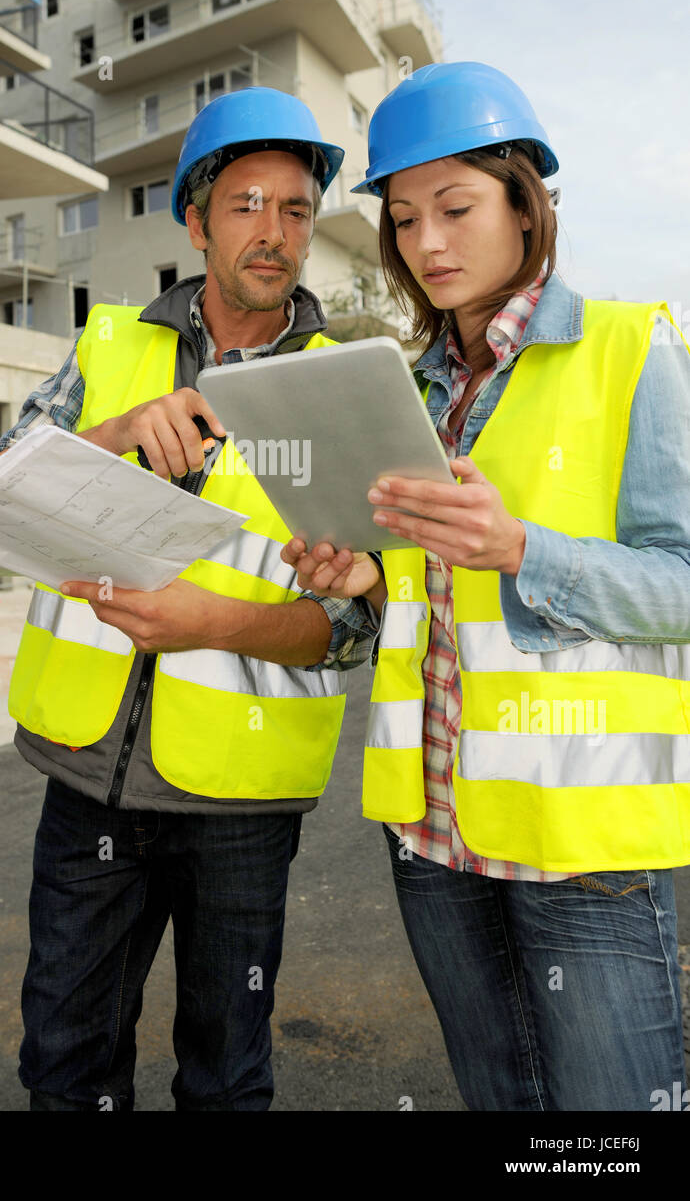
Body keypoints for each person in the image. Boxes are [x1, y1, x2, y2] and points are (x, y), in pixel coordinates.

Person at [282, 60, 690, 1111]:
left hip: (579, 844)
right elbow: (428, 604)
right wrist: (365, 577)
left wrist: (524, 551)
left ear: (525, 204)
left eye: (455, 208)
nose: (425, 243)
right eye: (404, 217)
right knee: (498, 1104)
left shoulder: (627, 350)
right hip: (431, 832)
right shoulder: (405, 387)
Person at [0, 87, 379, 1111]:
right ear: (195, 221)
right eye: (245, 203)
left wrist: (215, 625)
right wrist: (106, 436)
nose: (273, 231)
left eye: (294, 209)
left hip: (240, 803)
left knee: (226, 1075)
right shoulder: (111, 347)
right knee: (66, 1061)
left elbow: (356, 624)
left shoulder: (344, 387)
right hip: (87, 780)